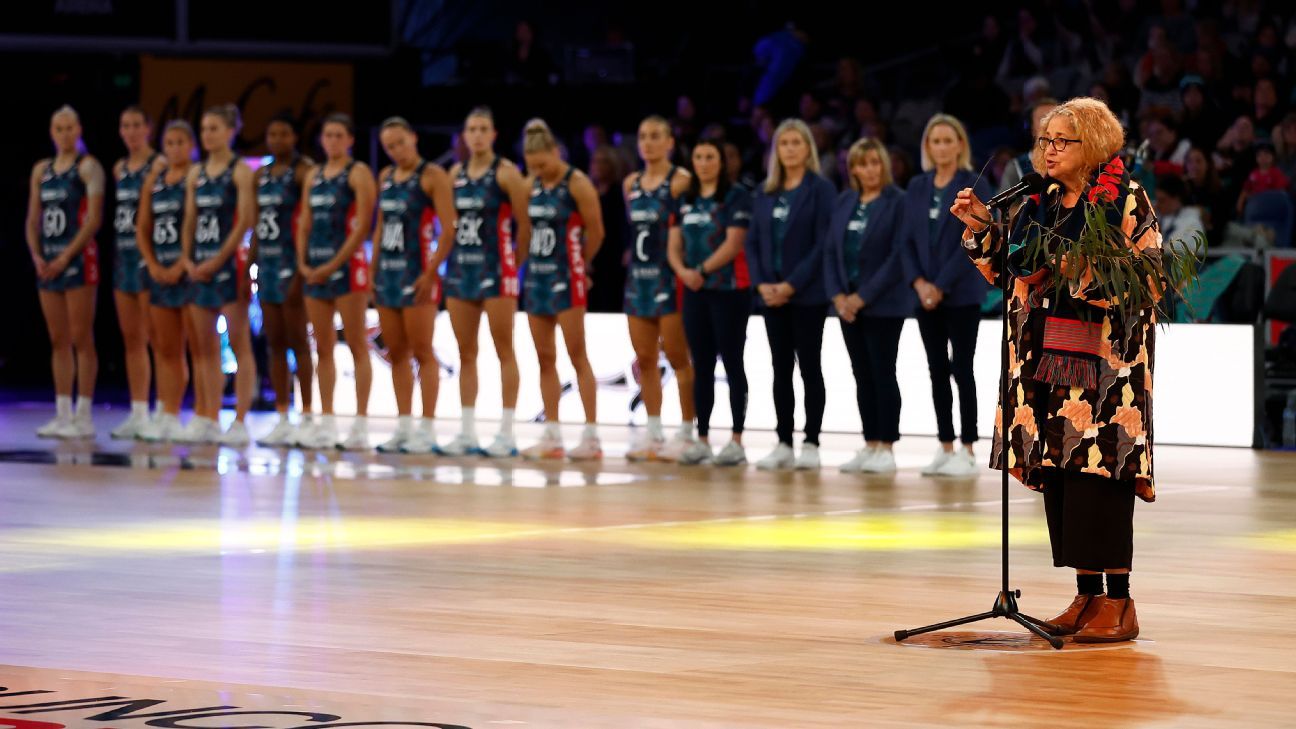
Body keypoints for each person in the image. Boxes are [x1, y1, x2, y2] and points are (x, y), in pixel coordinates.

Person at [953, 96, 1162, 643]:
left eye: (1061, 141)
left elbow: (1150, 283)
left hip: (1104, 371)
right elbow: (1012, 269)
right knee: (1063, 481)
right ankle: (1085, 596)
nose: (1048, 150)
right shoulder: (1037, 201)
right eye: (1045, 140)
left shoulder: (1125, 200)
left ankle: (1119, 603)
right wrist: (982, 229)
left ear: (1091, 145)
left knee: (1099, 478)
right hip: (1042, 362)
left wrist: (1081, 270)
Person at [900, 113, 991, 477]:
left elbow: (970, 239)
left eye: (947, 140)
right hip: (925, 295)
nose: (941, 146)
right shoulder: (917, 187)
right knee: (936, 368)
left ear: (959, 145)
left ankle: (968, 448)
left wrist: (940, 285)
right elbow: (906, 240)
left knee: (961, 368)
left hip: (961, 292)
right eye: (934, 141)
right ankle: (945, 444)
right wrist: (920, 284)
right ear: (927, 147)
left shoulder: (972, 183)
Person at [744, 118, 836, 470]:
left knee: (809, 367)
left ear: (807, 148)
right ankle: (783, 440)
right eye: (784, 143)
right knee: (779, 368)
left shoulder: (821, 189)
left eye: (797, 142)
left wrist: (791, 285)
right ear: (776, 150)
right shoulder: (766, 192)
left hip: (807, 295)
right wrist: (762, 284)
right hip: (771, 296)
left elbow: (823, 242)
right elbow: (753, 242)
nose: (791, 149)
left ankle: (811, 441)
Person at [443, 107, 533, 457]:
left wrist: (515, 263)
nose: (477, 135)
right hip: (461, 271)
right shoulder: (455, 174)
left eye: (483, 129)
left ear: (494, 135)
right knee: (466, 353)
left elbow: (524, 226)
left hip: (496, 271)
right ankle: (467, 431)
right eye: (471, 129)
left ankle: (506, 432)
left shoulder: (507, 173)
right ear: (464, 136)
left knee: (503, 350)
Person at [518, 119, 605, 460]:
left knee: (577, 355)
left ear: (556, 153)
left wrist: (581, 264)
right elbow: (525, 233)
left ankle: (592, 437)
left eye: (543, 163)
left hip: (568, 279)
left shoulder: (578, 183)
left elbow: (597, 231)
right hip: (537, 279)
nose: (538, 170)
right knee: (544, 358)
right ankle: (552, 436)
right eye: (532, 166)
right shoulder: (530, 185)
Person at [371, 117, 456, 454]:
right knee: (397, 353)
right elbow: (380, 227)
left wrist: (431, 272)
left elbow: (449, 229)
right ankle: (404, 426)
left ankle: (428, 428)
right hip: (388, 275)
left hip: (418, 274)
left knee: (423, 351)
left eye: (400, 143)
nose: (396, 151)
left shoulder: (432, 175)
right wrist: (374, 270)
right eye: (389, 146)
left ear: (414, 138)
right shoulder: (386, 177)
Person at [667, 136, 752, 467]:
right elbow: (674, 245)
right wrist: (682, 271)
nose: (704, 162)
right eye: (699, 156)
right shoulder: (684, 199)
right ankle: (701, 438)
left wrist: (700, 270)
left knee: (732, 362)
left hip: (729, 290)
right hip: (694, 291)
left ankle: (736, 439)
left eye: (710, 156)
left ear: (722, 161)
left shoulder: (736, 196)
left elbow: (734, 244)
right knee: (701, 364)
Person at [824, 138, 907, 474]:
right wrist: (839, 296)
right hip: (847, 305)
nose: (869, 170)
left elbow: (897, 255)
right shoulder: (845, 201)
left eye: (875, 162)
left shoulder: (897, 202)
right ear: (853, 168)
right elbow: (831, 251)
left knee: (882, 372)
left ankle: (887, 446)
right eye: (862, 164)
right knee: (861, 375)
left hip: (883, 304)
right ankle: (870, 442)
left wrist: (863, 296)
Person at [296, 113, 377, 450]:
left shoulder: (357, 173)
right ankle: (326, 420)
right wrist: (303, 262)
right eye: (327, 135)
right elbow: (304, 223)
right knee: (323, 346)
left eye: (338, 135)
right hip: (315, 268)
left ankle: (360, 424)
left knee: (357, 343)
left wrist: (332, 264)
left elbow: (363, 227)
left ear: (350, 140)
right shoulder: (313, 174)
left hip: (347, 267)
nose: (332, 141)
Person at [26, 105, 104, 439]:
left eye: (70, 127)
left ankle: (83, 414)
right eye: (59, 128)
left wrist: (66, 255)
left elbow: (93, 219)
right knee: (58, 339)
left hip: (77, 260)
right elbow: (33, 219)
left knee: (81, 337)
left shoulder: (88, 167)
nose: (65, 134)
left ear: (80, 129)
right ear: (51, 132)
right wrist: (37, 255)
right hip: (49, 261)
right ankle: (62, 412)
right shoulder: (41, 170)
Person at [181, 104, 256, 445]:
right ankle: (207, 415)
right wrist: (187, 258)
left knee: (239, 345)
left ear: (230, 131)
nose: (207, 134)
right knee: (203, 346)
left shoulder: (240, 171)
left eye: (214, 128)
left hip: (228, 265)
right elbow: (190, 220)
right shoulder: (196, 172)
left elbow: (245, 221)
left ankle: (239, 421)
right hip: (199, 264)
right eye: (204, 128)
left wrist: (219, 259)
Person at [623, 116, 695, 461]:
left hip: (670, 280)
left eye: (655, 136)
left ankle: (687, 432)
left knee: (680, 359)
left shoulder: (680, 181)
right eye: (643, 136)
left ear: (669, 142)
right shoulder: (630, 183)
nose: (648, 143)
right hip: (639, 281)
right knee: (646, 359)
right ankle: (653, 432)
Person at [252, 112, 316, 447]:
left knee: (299, 343)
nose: (277, 140)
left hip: (294, 264)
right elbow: (257, 226)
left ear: (295, 137)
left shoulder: (304, 171)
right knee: (274, 342)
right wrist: (251, 264)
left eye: (283, 134)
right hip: (267, 266)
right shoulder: (260, 175)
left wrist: (302, 266)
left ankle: (306, 415)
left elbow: (308, 219)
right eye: (272, 134)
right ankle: (281, 416)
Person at [135, 121, 196, 442]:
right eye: (168, 143)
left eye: (180, 142)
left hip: (186, 271)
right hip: (158, 270)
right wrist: (154, 264)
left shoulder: (196, 177)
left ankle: (177, 411)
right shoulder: (154, 180)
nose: (174, 148)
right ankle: (163, 408)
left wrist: (182, 263)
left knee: (190, 346)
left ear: (191, 146)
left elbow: (196, 224)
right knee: (163, 346)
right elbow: (142, 226)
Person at [109, 105, 162, 439]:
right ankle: (138, 410)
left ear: (148, 129)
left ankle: (162, 409)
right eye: (125, 125)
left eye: (136, 125)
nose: (130, 131)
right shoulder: (119, 167)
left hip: (151, 255)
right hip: (123, 255)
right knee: (132, 339)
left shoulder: (158, 164)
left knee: (157, 338)